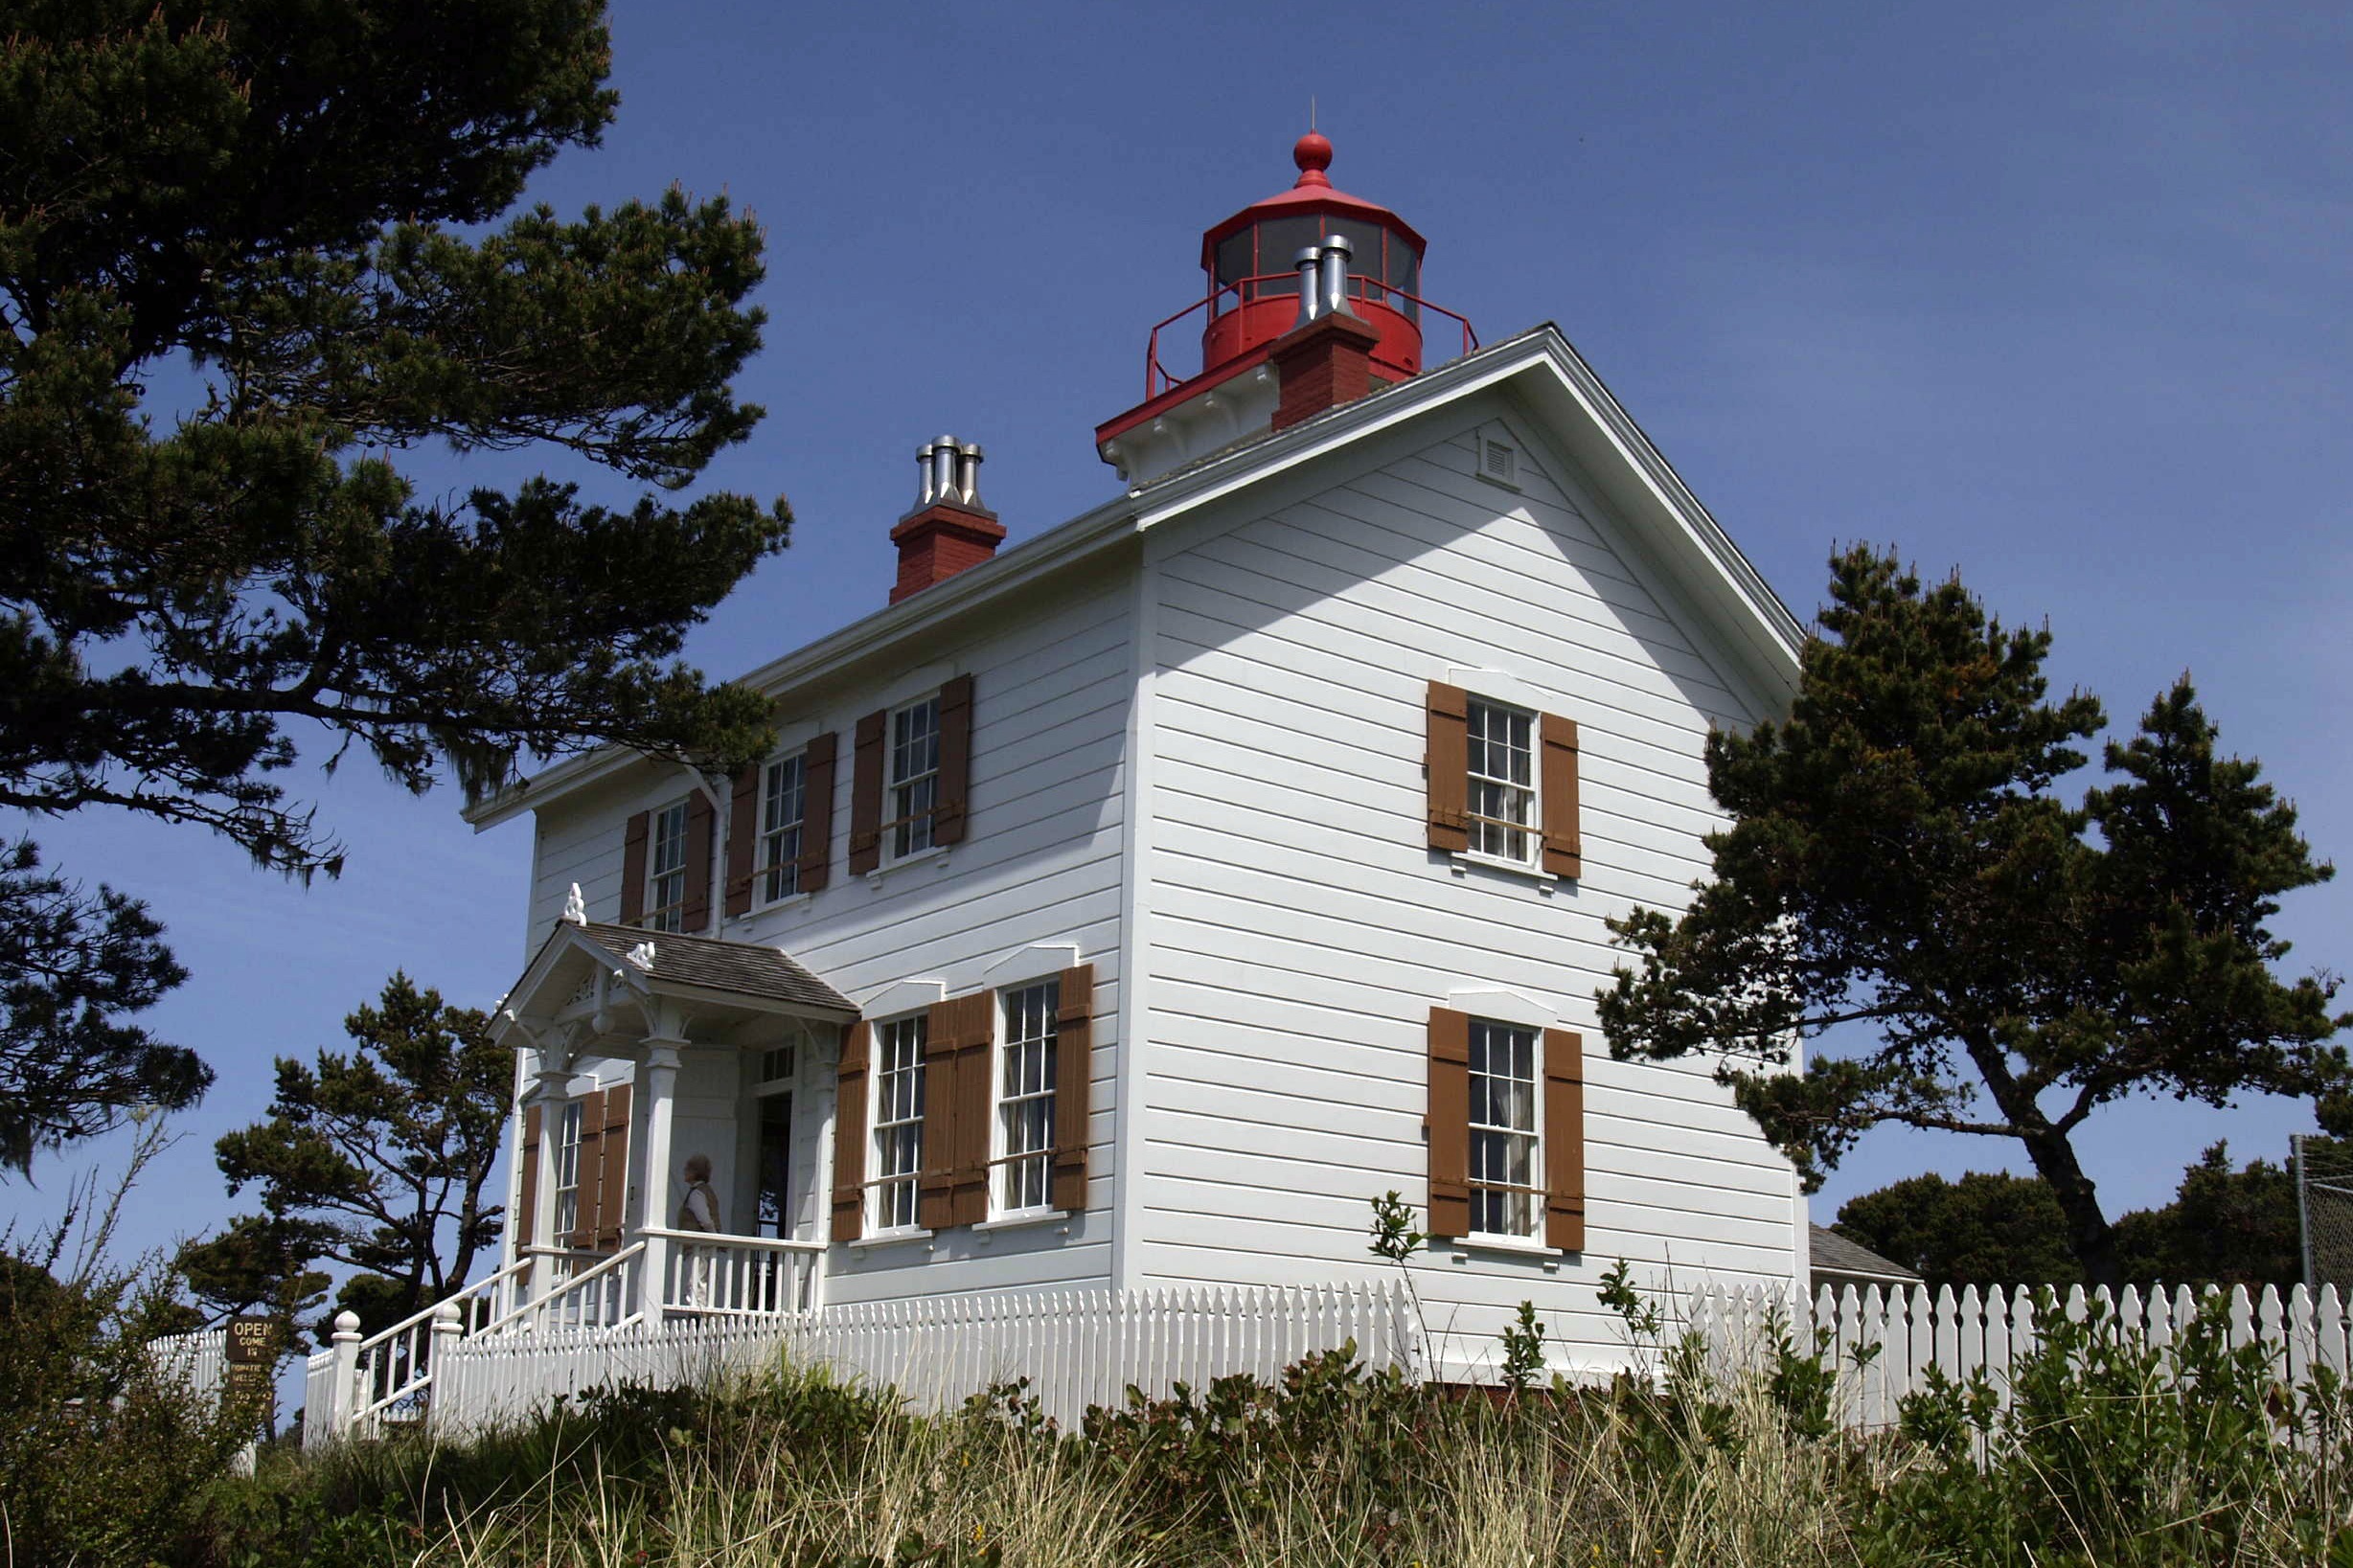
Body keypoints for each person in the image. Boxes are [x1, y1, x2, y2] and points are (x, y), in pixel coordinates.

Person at [675, 1153, 721, 1307]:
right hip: (701, 1246)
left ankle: (697, 1316)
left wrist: (715, 1238)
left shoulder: (697, 1193)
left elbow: (705, 1220)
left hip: (699, 1247)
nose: (684, 1171)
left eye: (688, 1168)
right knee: (698, 1281)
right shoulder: (703, 1191)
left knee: (696, 1282)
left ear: (695, 1172)